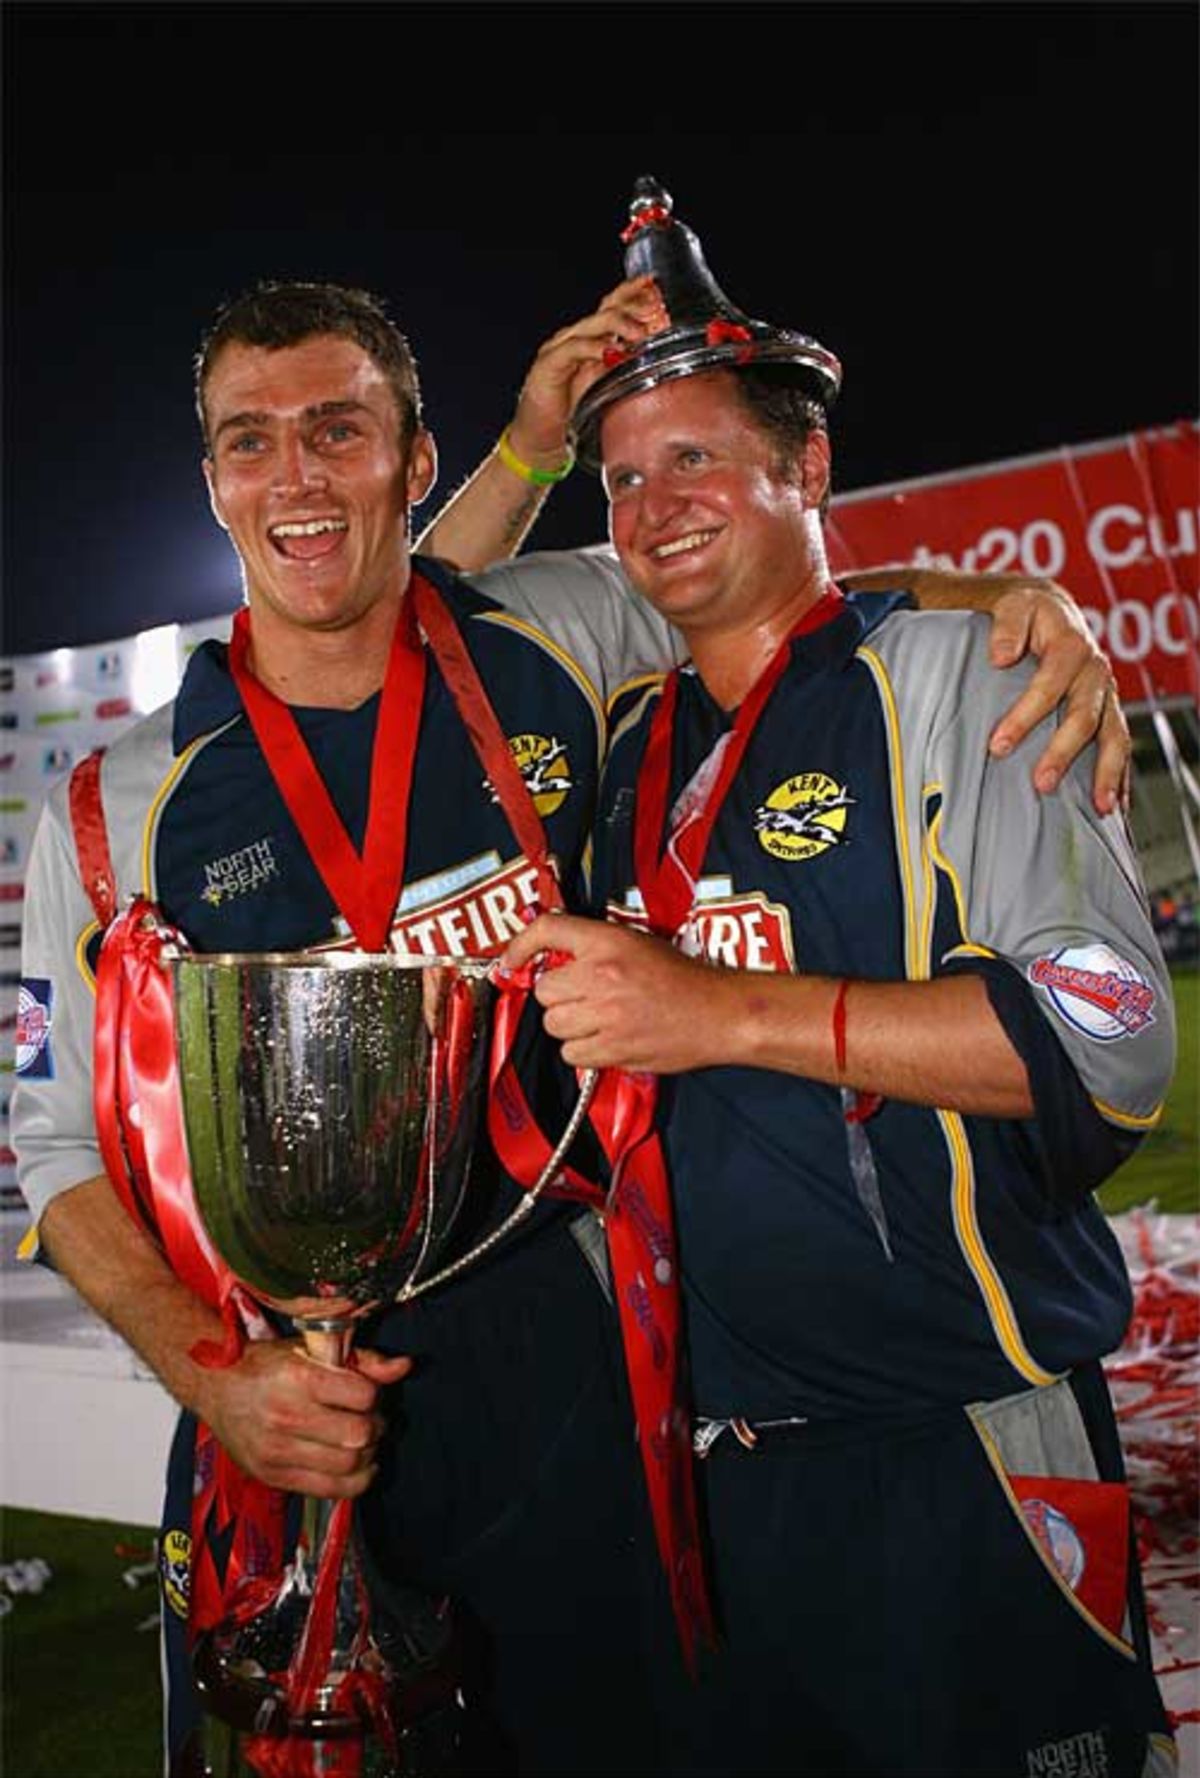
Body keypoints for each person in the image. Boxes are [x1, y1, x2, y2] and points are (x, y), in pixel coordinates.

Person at [11, 263, 1133, 1778]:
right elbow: (55, 1147)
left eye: (339, 430)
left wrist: (1014, 606)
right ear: (211, 480)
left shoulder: (555, 637)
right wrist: (216, 1378)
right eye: (248, 440)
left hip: (597, 1373)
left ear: (416, 460)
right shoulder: (110, 809)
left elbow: (778, 591)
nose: (296, 475)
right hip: (298, 1398)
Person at [503, 179, 1178, 1777]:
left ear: (808, 468)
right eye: (622, 477)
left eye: (694, 457)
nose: (652, 504)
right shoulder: (619, 746)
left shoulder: (960, 675)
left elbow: (1107, 1038)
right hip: (707, 1484)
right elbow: (396, 631)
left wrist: (717, 1010)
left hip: (954, 1449)